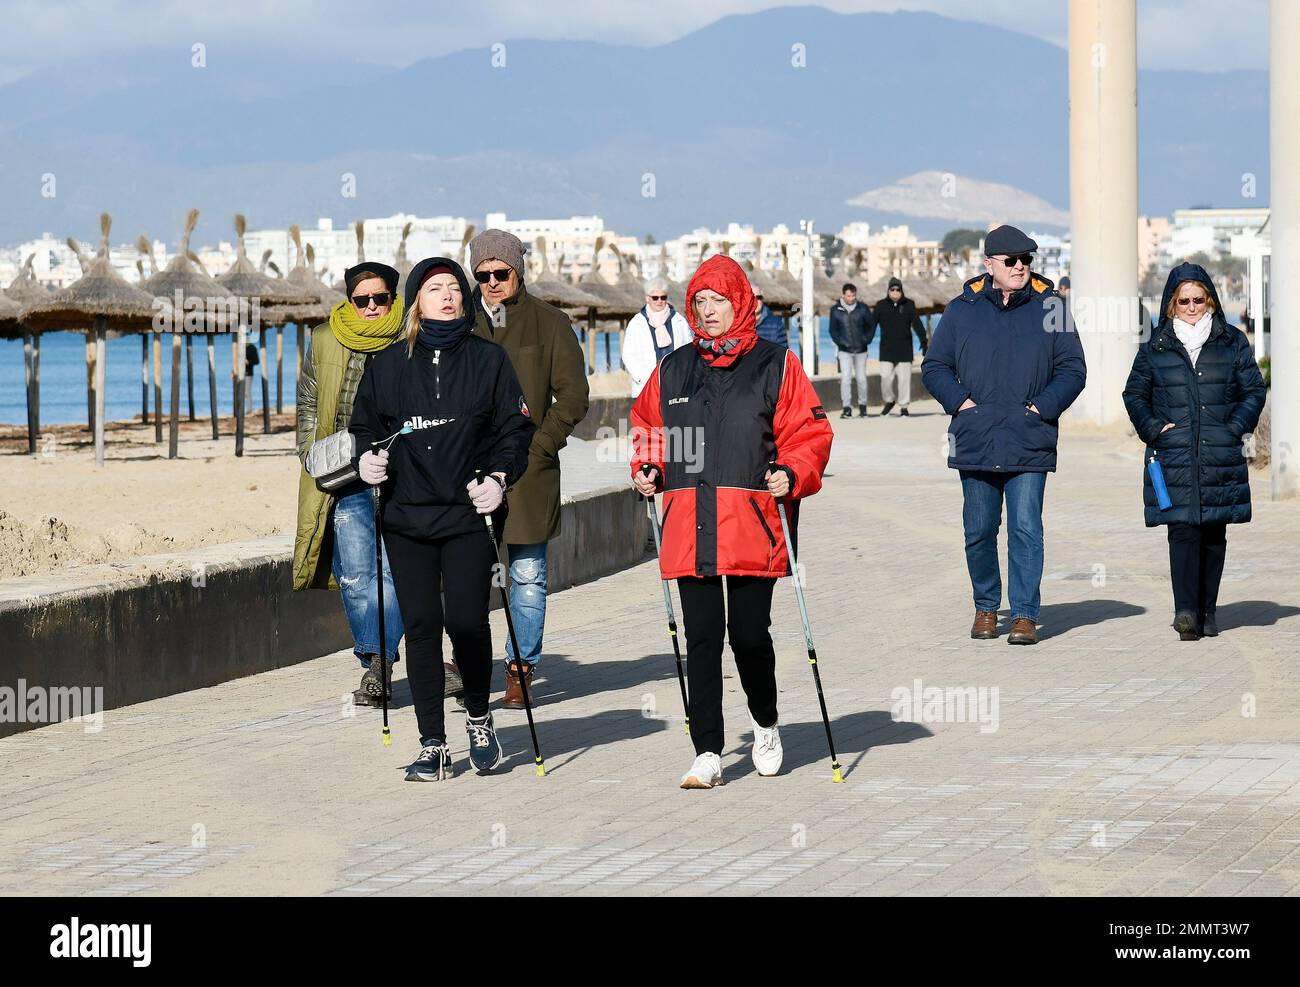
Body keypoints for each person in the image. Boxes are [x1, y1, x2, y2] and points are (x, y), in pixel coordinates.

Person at [631, 254, 833, 789]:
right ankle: (708, 751)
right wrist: (647, 467)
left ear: (740, 301)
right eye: (699, 302)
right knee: (701, 637)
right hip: (688, 522)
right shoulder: (673, 369)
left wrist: (792, 472)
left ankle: (765, 724)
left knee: (748, 636)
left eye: (718, 300)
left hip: (752, 524)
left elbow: (808, 435)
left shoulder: (776, 364)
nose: (708, 310)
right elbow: (648, 426)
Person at [350, 257, 535, 781]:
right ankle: (432, 742)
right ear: (417, 303)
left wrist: (498, 478)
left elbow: (515, 431)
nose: (449, 295)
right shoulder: (387, 364)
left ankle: (478, 717)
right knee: (422, 627)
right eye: (435, 289)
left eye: (455, 288)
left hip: (468, 514)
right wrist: (368, 459)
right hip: (406, 515)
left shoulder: (489, 361)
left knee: (467, 622)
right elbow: (365, 426)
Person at [921, 225, 1086, 646]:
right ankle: (986, 607)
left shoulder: (1054, 308)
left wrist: (1040, 409)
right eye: (1011, 260)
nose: (1020, 267)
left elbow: (1073, 370)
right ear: (989, 264)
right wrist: (962, 405)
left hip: (1029, 437)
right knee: (978, 529)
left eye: (1027, 259)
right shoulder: (961, 309)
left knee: (1026, 528)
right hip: (975, 438)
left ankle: (1026, 614)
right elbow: (935, 366)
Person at [469, 229, 590, 708]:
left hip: (530, 473)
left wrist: (540, 447)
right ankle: (466, 661)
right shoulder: (462, 322)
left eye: (501, 273)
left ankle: (520, 669)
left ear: (518, 269)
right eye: (483, 276)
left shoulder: (550, 323)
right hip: (469, 474)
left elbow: (574, 396)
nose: (493, 283)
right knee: (467, 573)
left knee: (527, 574)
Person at [1122, 262, 1266, 640]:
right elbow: (1134, 394)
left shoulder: (1232, 342)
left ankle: (1207, 610)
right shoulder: (1155, 346)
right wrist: (1153, 429)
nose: (1190, 306)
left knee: (1213, 533)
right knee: (1182, 530)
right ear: (1171, 304)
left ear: (1211, 302)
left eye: (1197, 299)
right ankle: (1185, 611)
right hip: (1173, 455)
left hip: (1219, 454)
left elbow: (1253, 391)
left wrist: (1234, 428)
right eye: (1183, 300)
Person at [294, 261, 406, 706]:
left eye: (381, 299)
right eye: (363, 301)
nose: (373, 308)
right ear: (350, 301)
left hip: (402, 475)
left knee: (393, 571)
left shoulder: (409, 336)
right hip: (345, 475)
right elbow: (307, 399)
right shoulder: (324, 339)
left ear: (394, 299)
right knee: (356, 573)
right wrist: (309, 450)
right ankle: (375, 662)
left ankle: (383, 662)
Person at [620, 276, 691, 397]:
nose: (659, 301)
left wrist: (684, 374)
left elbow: (689, 349)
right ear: (647, 298)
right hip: (647, 384)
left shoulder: (678, 320)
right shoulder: (636, 323)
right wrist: (644, 378)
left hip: (676, 383)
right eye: (655, 298)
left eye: (663, 297)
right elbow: (628, 355)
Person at [871, 277, 928, 416]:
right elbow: (871, 325)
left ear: (901, 291)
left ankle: (904, 406)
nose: (895, 292)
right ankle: (889, 401)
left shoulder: (909, 305)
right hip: (886, 349)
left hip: (905, 350)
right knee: (885, 378)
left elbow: (918, 325)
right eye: (892, 289)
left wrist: (923, 342)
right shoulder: (880, 305)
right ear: (888, 290)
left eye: (898, 289)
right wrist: (865, 340)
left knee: (904, 380)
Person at [828, 282, 873, 418]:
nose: (851, 298)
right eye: (848, 296)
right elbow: (833, 330)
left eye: (853, 295)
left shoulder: (863, 308)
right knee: (846, 379)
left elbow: (870, 327)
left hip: (861, 350)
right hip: (844, 351)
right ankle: (846, 408)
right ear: (843, 295)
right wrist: (842, 342)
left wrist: (866, 340)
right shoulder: (835, 310)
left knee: (861, 379)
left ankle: (863, 407)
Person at [752, 282, 787, 348]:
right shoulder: (737, 323)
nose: (755, 301)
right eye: (752, 297)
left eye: (758, 297)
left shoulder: (777, 324)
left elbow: (782, 354)